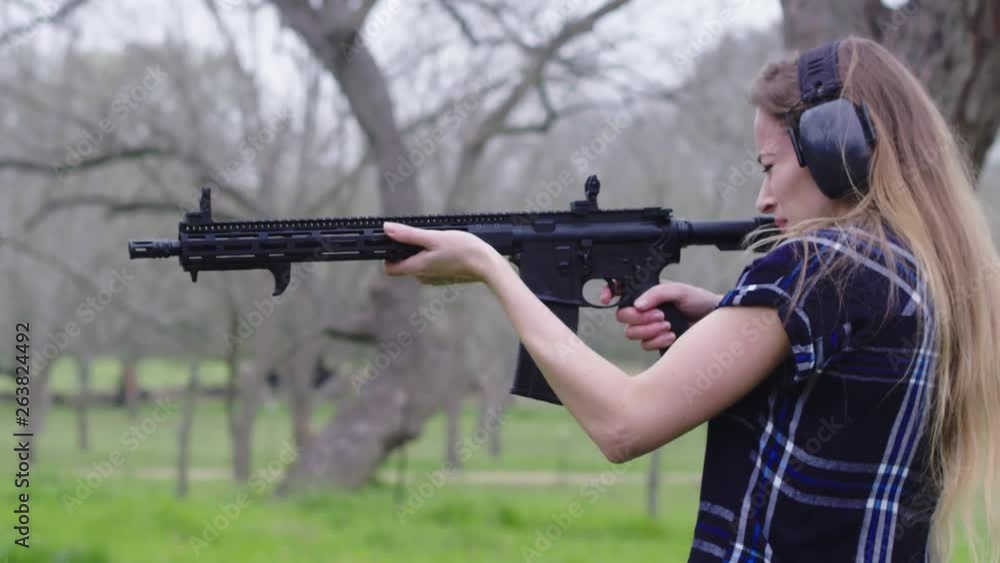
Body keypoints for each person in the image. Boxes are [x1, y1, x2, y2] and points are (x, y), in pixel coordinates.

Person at [380, 36, 1000, 562]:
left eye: (768, 165)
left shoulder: (821, 267)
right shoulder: (920, 273)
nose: (762, 198)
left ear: (837, 148)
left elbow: (622, 423)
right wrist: (733, 321)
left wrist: (491, 269)